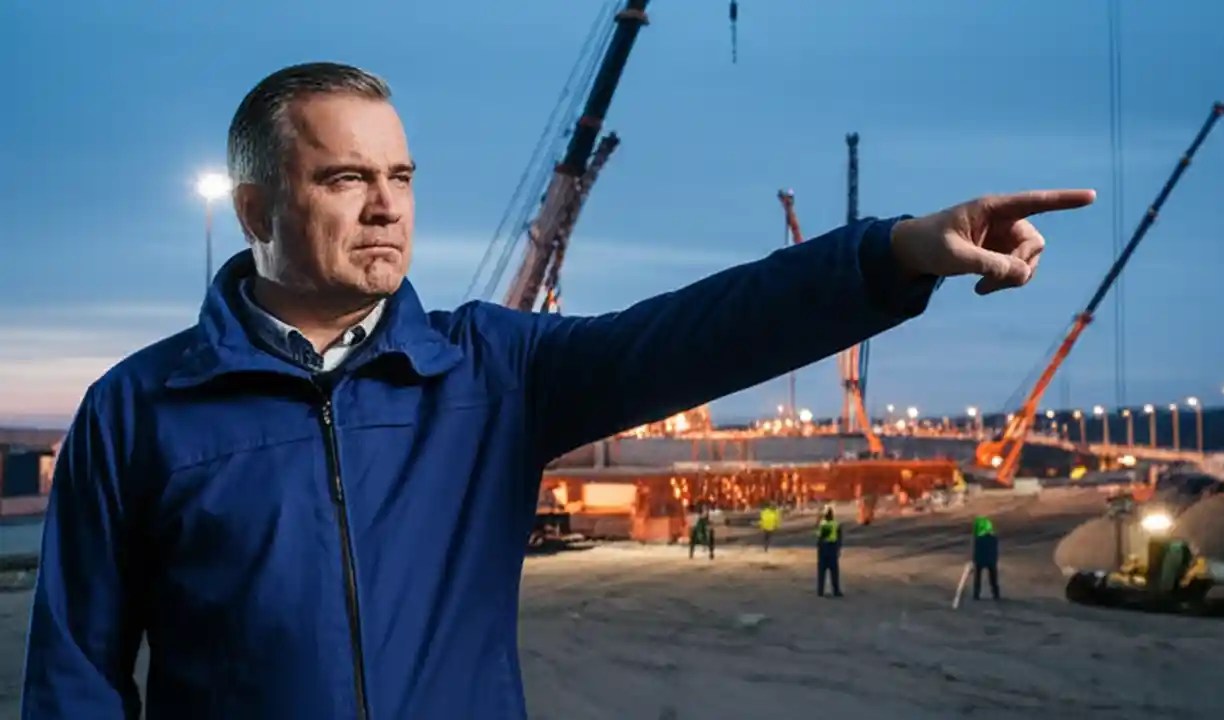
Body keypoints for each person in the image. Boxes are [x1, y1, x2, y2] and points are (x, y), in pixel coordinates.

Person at [20, 61, 1093, 718]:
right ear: (255, 209)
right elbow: (76, 677)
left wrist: (896, 253)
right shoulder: (140, 410)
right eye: (345, 178)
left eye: (401, 177)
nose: (387, 206)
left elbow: (704, 331)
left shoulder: (489, 374)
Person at [816, 505, 843, 597]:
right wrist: (838, 549)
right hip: (832, 548)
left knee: (821, 572)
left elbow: (820, 537)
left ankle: (820, 591)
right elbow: (839, 538)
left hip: (824, 549)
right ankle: (836, 590)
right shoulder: (836, 524)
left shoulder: (823, 524)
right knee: (834, 572)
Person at [972, 515, 1001, 600]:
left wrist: (974, 560)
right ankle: (996, 593)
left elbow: (976, 550)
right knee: (993, 578)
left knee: (978, 577)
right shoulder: (993, 538)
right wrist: (995, 559)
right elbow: (995, 550)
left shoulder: (978, 539)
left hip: (980, 560)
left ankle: (976, 593)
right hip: (991, 560)